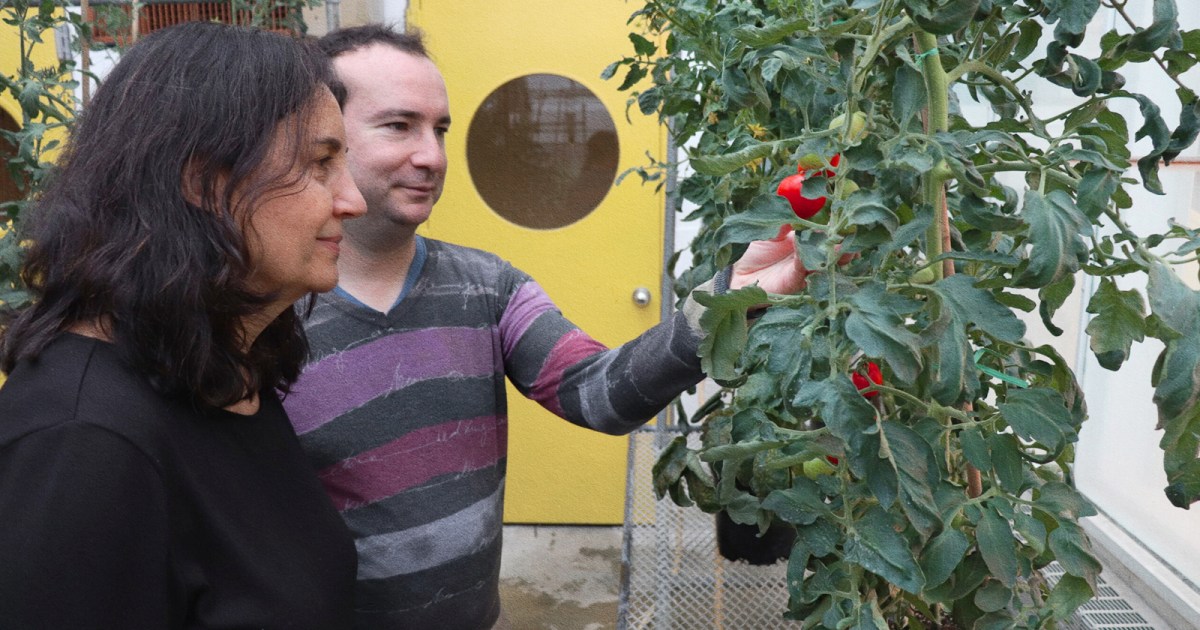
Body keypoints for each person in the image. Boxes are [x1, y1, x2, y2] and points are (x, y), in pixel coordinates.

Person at [282, 24, 813, 630]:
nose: (431, 155)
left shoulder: (488, 288)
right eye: (399, 126)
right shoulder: (263, 315)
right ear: (324, 137)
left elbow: (600, 392)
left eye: (440, 129)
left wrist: (730, 299)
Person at [0, 21, 367, 628]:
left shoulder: (220, 368)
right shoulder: (82, 442)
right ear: (202, 180)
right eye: (319, 163)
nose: (351, 199)